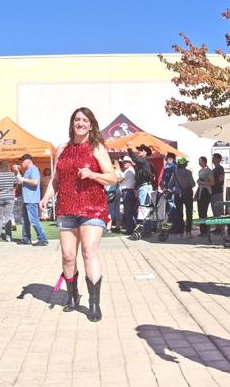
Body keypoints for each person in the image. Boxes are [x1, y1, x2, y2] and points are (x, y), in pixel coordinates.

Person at [39, 108, 118, 322]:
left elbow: (112, 177)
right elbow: (56, 179)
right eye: (77, 119)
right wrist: (46, 197)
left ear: (91, 125)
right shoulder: (62, 148)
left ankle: (94, 304)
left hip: (92, 207)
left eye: (84, 120)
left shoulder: (96, 147)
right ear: (72, 123)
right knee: (68, 255)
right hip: (67, 207)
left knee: (89, 252)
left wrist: (92, 174)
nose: (80, 123)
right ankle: (72, 297)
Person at [14, 154, 48, 246]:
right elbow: (22, 181)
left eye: (22, 161)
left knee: (34, 220)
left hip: (31, 199)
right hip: (27, 199)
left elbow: (35, 182)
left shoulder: (33, 169)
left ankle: (43, 239)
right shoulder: (28, 170)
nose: (21, 163)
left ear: (28, 161)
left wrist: (23, 179)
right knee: (25, 220)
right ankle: (26, 238)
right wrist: (18, 172)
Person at [126, 145, 154, 240]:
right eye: (138, 150)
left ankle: (144, 231)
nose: (139, 152)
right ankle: (146, 231)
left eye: (141, 150)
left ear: (145, 152)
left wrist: (129, 148)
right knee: (145, 209)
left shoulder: (143, 161)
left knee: (143, 209)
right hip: (144, 187)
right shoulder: (143, 163)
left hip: (145, 187)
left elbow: (134, 158)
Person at [0, 160, 17, 242]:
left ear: (0, 166)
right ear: (7, 166)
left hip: (0, 197)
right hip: (10, 197)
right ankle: (8, 236)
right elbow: (15, 184)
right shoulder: (12, 175)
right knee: (8, 217)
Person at [173, 157, 196, 237]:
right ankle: (188, 232)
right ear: (185, 164)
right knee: (189, 213)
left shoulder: (175, 172)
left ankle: (180, 232)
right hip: (187, 194)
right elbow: (193, 184)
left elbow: (170, 184)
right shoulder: (188, 172)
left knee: (179, 213)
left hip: (178, 194)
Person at [119, 156, 137, 235]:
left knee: (128, 211)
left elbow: (119, 180)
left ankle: (130, 229)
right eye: (124, 162)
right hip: (130, 191)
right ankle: (133, 227)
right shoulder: (131, 170)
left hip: (127, 191)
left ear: (130, 163)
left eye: (126, 162)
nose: (124, 163)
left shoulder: (128, 171)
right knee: (131, 211)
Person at [195, 156, 213, 235]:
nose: (200, 162)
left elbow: (212, 182)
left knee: (204, 211)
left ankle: (205, 230)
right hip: (200, 191)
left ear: (205, 161)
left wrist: (202, 182)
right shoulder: (200, 171)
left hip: (206, 191)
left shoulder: (208, 171)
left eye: (201, 161)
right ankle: (202, 230)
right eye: (199, 161)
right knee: (200, 211)